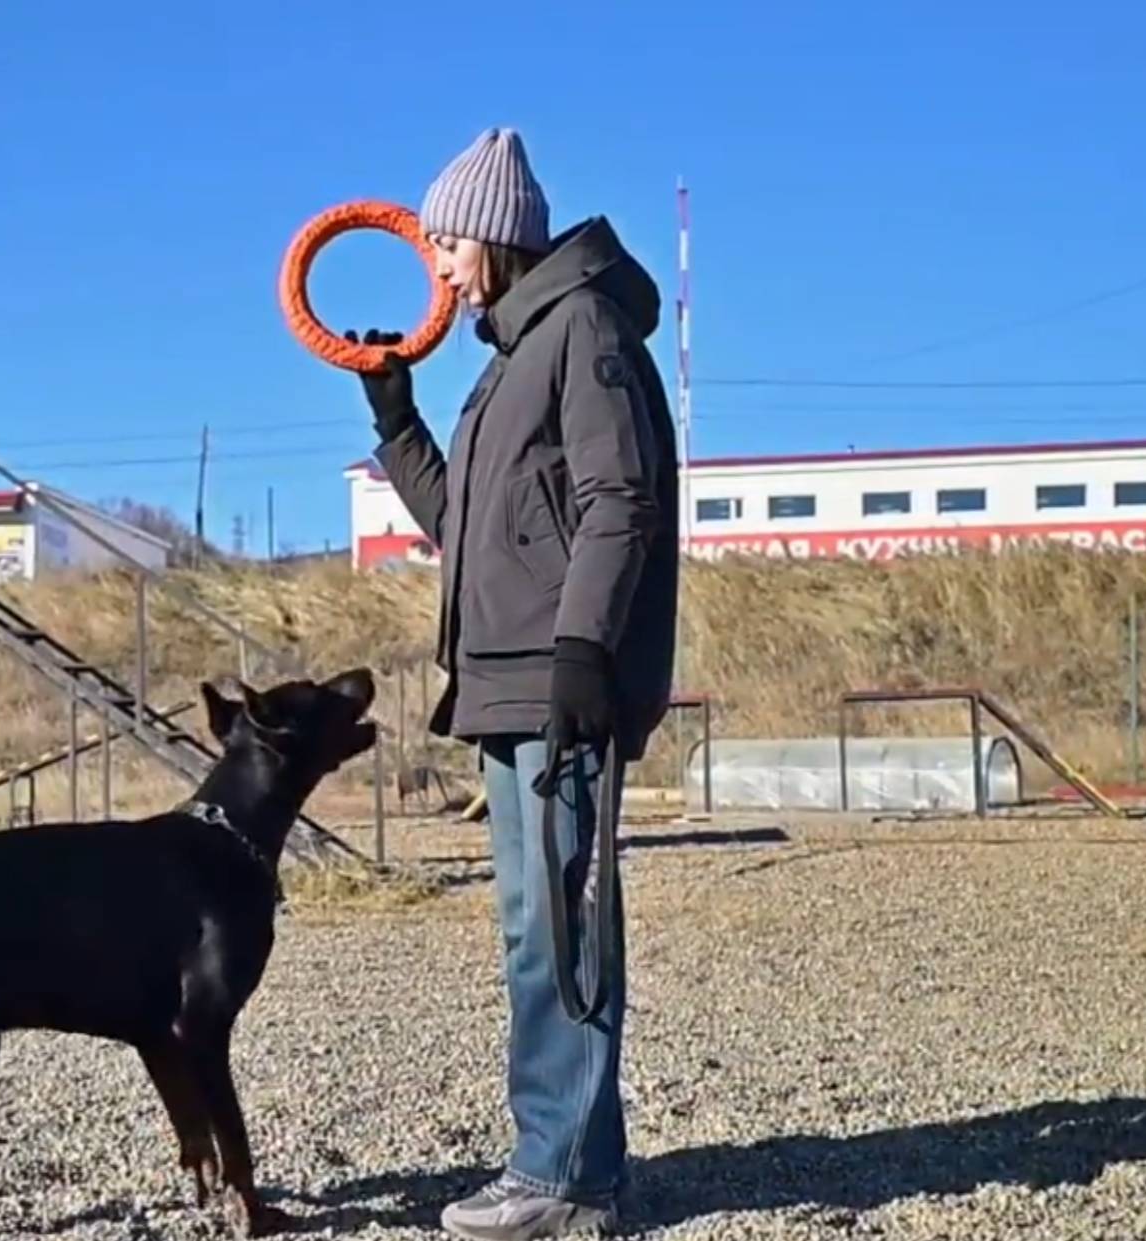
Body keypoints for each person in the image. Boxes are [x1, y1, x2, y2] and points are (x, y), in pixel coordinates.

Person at [350, 126, 679, 1238]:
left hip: (554, 683)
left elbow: (616, 500)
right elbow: (466, 529)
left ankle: (567, 1183)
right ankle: (565, 1160)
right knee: (530, 928)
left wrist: (584, 653)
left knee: (560, 933)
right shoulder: (507, 356)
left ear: (491, 234)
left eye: (445, 242)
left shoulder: (578, 329)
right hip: (503, 683)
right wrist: (396, 423)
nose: (436, 266)